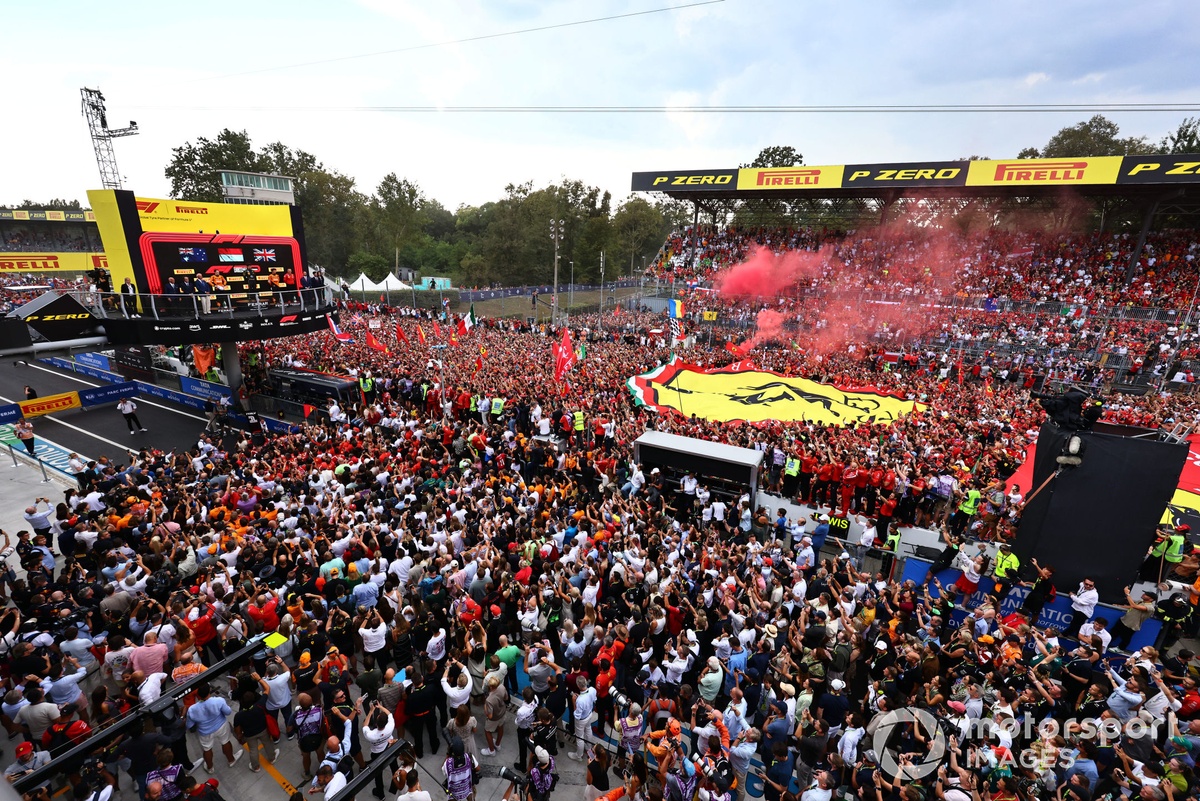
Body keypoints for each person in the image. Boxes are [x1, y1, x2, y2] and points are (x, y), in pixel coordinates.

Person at [185, 683, 241, 772]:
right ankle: (231, 760)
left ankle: (210, 767)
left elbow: (189, 725)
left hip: (205, 732)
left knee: (207, 749)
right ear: (209, 691)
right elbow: (228, 712)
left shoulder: (192, 709)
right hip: (221, 726)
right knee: (225, 742)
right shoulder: (218, 701)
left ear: (198, 694)